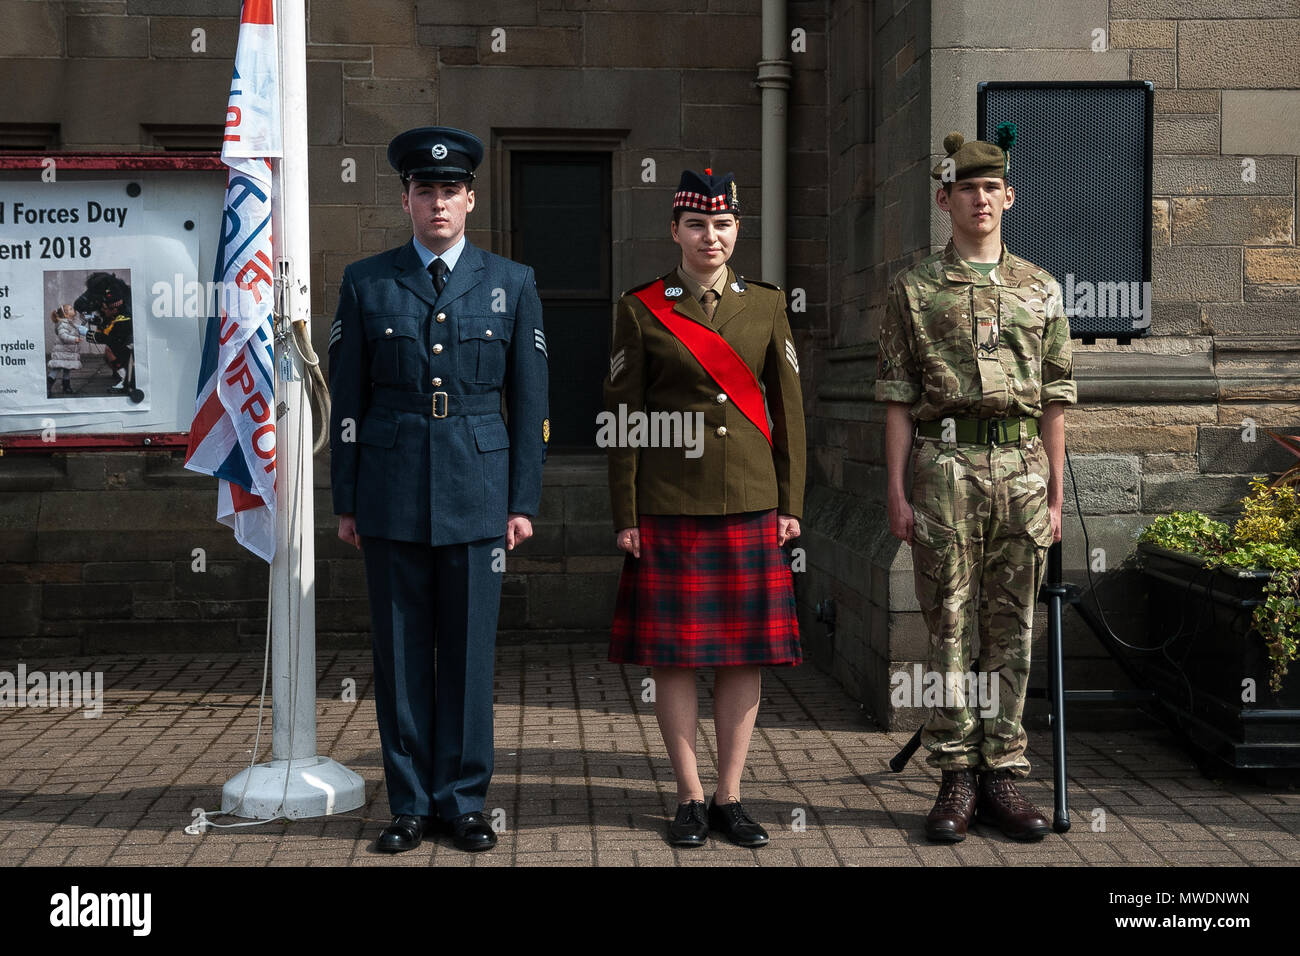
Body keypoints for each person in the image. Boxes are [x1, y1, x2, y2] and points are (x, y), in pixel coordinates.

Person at [328, 126, 549, 854]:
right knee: (398, 657)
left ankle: (463, 802)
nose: (438, 203)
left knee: (466, 657)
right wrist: (347, 501)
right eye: (425, 191)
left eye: (450, 191)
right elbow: (349, 401)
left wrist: (522, 501)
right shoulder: (367, 281)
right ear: (406, 200)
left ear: (470, 199)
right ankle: (410, 803)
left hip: (478, 490)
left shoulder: (511, 282)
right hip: (390, 492)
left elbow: (530, 400)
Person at [874, 128, 1076, 842]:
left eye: (991, 187)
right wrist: (897, 492)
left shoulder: (1042, 289)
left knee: (1012, 629)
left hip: (1021, 471)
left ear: (1009, 196)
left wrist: (1054, 499)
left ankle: (1005, 776)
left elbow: (1055, 398)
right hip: (945, 470)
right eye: (967, 188)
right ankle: (956, 774)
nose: (980, 198)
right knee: (949, 628)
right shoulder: (914, 289)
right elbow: (897, 397)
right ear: (945, 198)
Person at [603, 169, 807, 849]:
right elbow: (625, 416)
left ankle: (732, 795)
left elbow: (790, 413)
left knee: (744, 655)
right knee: (676, 656)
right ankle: (690, 796)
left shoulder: (767, 306)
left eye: (722, 225)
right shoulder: (641, 307)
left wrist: (791, 503)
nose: (710, 237)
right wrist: (626, 512)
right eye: (696, 225)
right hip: (669, 505)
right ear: (675, 231)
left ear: (736, 230)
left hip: (751, 501)